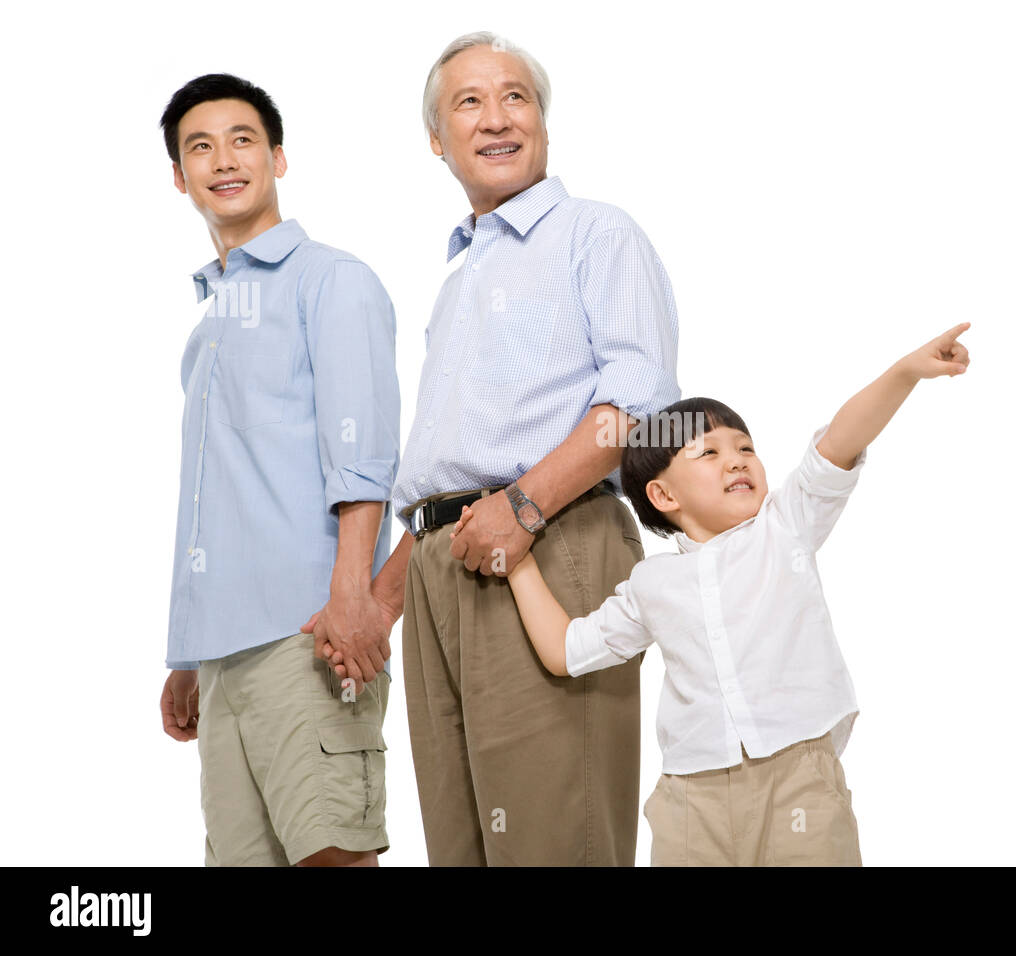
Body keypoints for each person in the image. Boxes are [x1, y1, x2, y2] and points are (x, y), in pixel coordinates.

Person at [463, 323, 972, 865]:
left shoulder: (785, 525)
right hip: (691, 799)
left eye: (746, 447)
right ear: (662, 494)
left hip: (798, 778)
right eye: (708, 453)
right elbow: (566, 650)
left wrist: (906, 372)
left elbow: (841, 441)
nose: (738, 460)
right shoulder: (652, 583)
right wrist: (514, 563)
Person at [376, 31, 681, 865]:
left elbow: (639, 406)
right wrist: (385, 598)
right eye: (468, 102)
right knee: (463, 845)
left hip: (553, 543)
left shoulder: (593, 233)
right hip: (448, 565)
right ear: (437, 139)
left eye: (516, 96)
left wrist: (525, 505)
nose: (497, 117)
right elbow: (448, 464)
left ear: (543, 121)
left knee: (554, 839)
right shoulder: (461, 275)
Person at [157, 73, 402, 866]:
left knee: (332, 856)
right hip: (223, 659)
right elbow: (211, 498)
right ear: (179, 175)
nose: (223, 160)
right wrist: (189, 653)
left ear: (278, 158)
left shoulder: (330, 280)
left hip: (308, 636)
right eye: (201, 147)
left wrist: (353, 595)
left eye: (242, 140)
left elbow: (359, 456)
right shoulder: (207, 329)